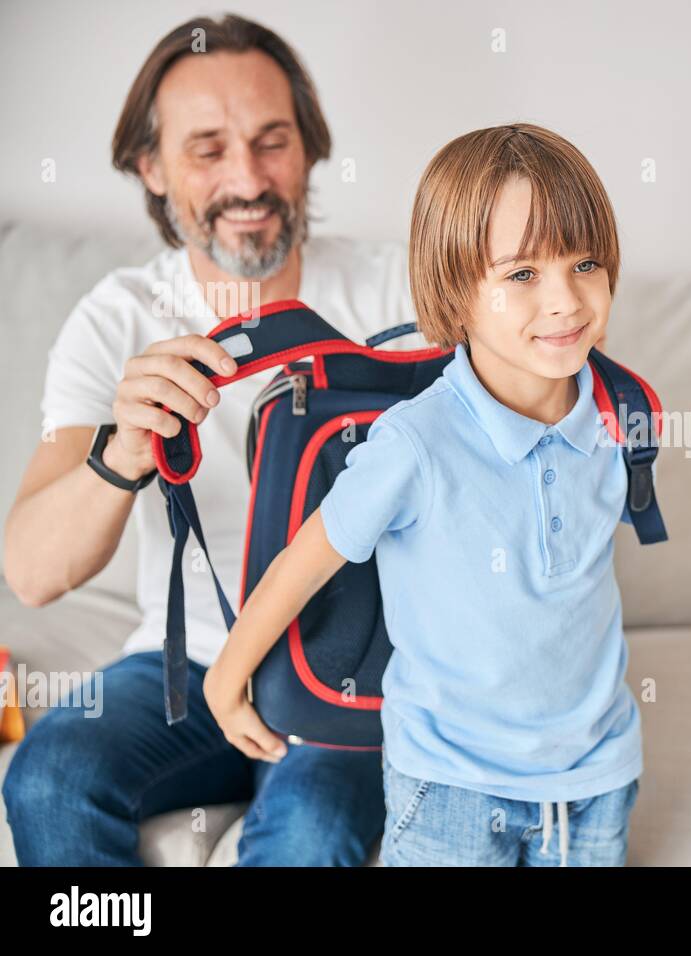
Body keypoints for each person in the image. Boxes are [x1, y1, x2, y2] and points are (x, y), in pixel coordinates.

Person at [2, 14, 419, 865]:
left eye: (272, 141)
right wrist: (121, 454)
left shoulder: (402, 292)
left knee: (309, 833)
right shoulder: (114, 319)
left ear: (308, 150)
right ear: (151, 169)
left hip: (345, 666)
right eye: (207, 149)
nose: (248, 178)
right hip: (181, 668)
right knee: (47, 779)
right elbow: (35, 574)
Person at [202, 123, 650, 866]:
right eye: (521, 275)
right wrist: (226, 679)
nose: (567, 300)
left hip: (595, 778)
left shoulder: (616, 410)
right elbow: (302, 564)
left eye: (586, 261)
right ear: (455, 290)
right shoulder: (415, 442)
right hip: (450, 786)